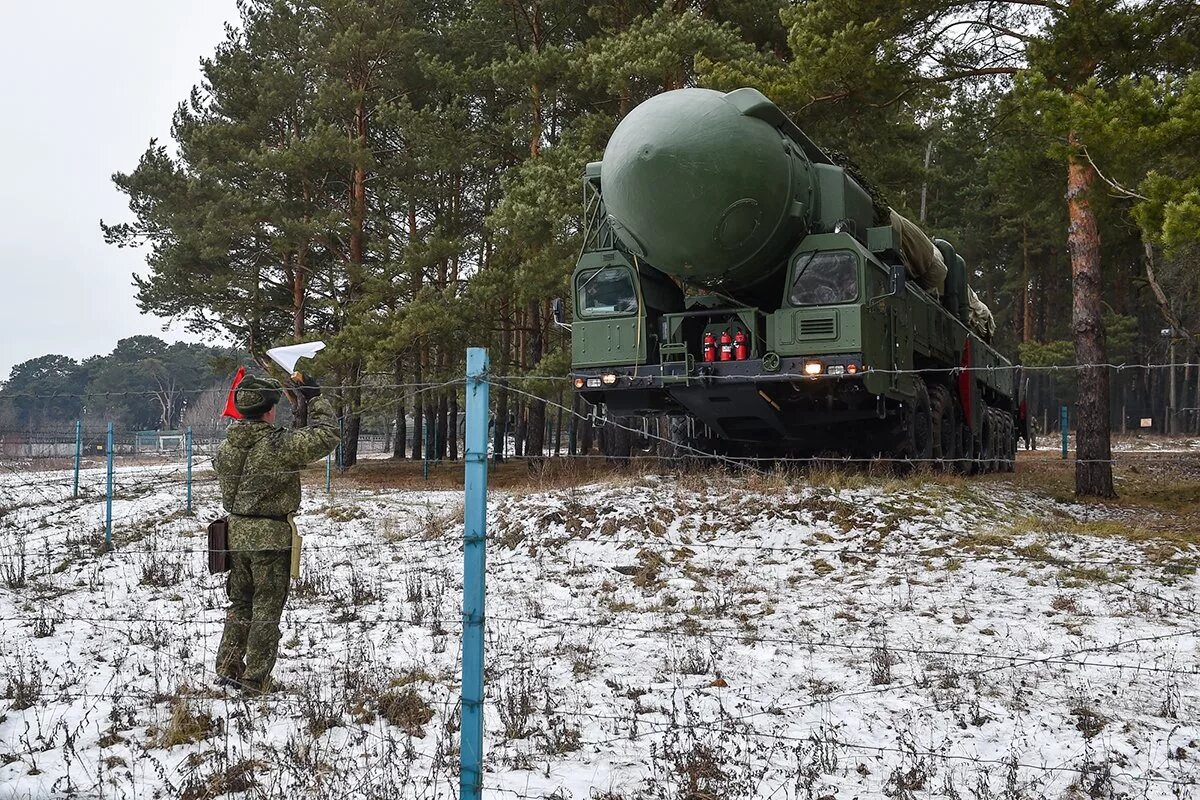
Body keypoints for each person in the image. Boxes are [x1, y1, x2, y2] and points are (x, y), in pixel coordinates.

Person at [213, 373, 340, 693]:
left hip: (234, 535)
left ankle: (228, 668)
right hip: (271, 536)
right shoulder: (278, 444)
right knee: (266, 609)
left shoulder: (225, 447)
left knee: (240, 604)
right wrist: (315, 398)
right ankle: (255, 678)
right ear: (270, 409)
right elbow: (327, 435)